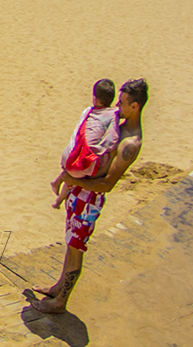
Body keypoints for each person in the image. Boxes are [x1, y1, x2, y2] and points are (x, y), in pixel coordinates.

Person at [36, 79, 147, 314]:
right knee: (70, 242)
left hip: (90, 198)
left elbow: (107, 184)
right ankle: (58, 288)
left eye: (123, 102)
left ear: (135, 106)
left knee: (76, 247)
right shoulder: (119, 123)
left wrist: (70, 179)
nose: (118, 104)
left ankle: (60, 303)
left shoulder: (131, 143)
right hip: (81, 190)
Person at [51, 79, 120, 209]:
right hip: (81, 165)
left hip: (67, 154)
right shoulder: (113, 114)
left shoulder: (87, 111)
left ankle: (57, 188)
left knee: (74, 162)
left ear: (95, 98)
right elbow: (112, 140)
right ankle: (59, 197)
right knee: (80, 168)